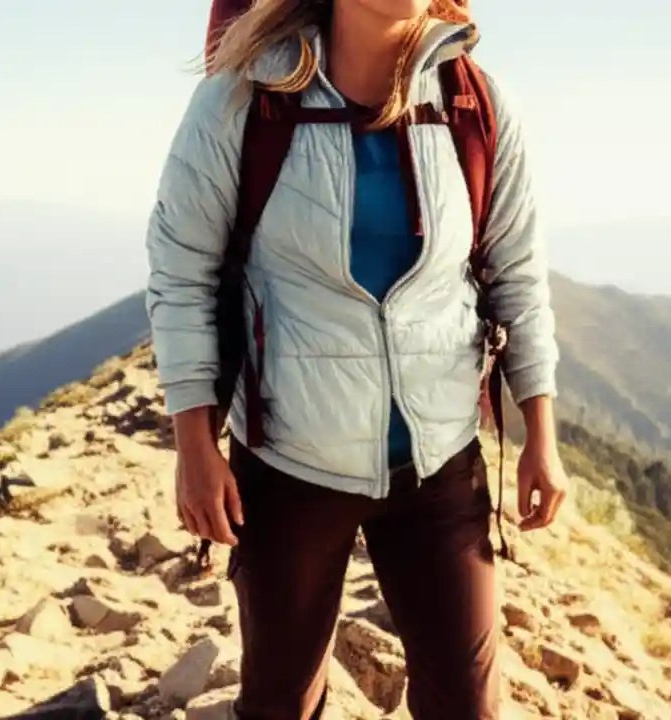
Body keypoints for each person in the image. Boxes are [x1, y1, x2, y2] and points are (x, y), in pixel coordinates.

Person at [145, 1, 566, 717]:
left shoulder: (475, 103)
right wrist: (194, 443)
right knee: (280, 703)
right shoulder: (243, 99)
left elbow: (517, 275)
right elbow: (182, 271)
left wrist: (541, 434)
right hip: (289, 461)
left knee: (468, 707)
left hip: (439, 459)